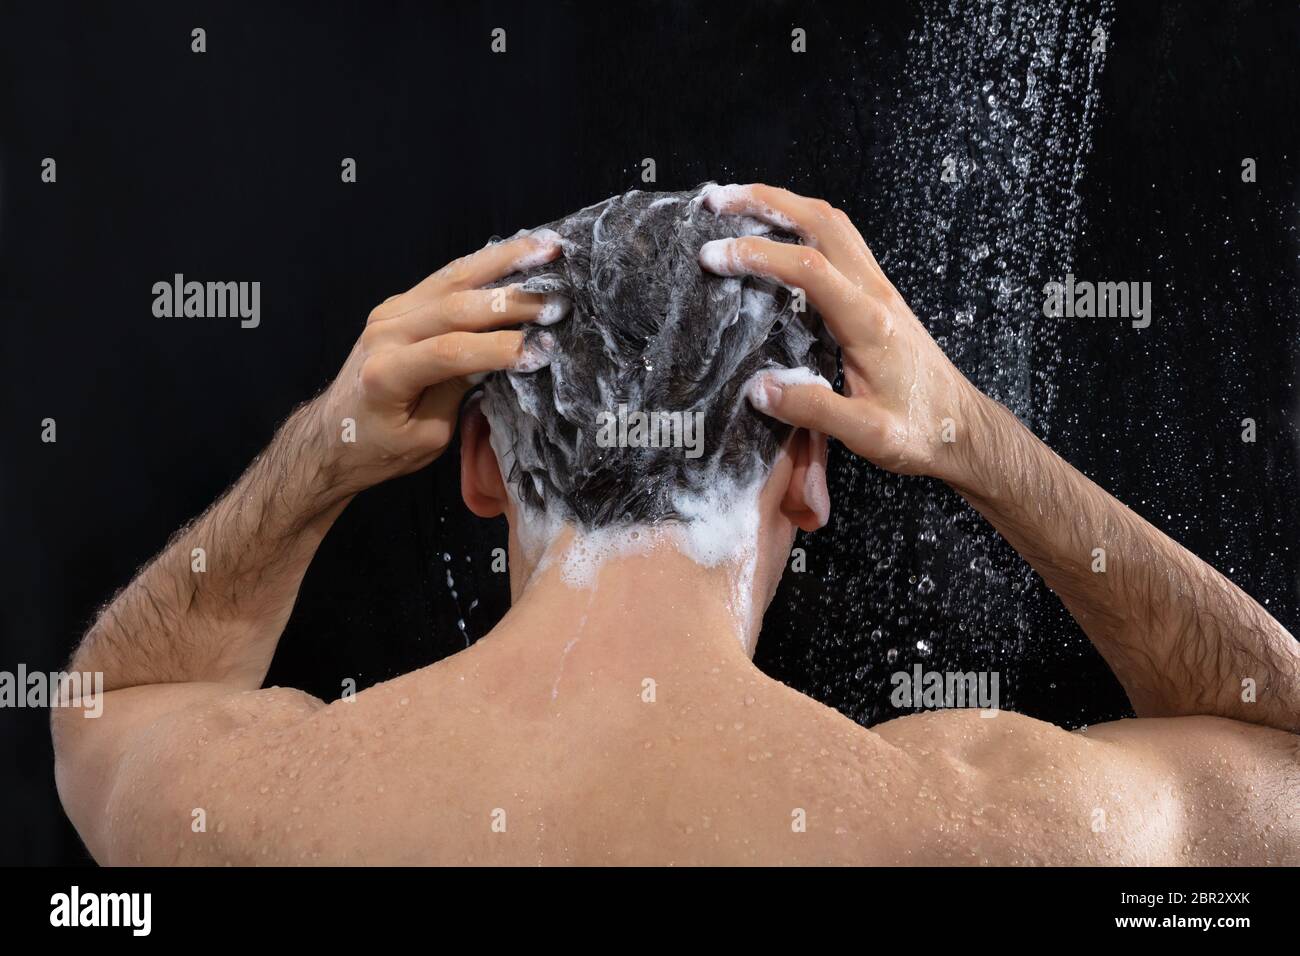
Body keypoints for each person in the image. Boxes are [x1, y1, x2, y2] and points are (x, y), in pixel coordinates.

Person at [53, 184, 1299, 865]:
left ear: (478, 462)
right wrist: (976, 440)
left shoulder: (278, 804)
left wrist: (321, 449)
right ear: (811, 470)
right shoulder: (975, 820)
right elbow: (1280, 744)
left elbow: (107, 706)